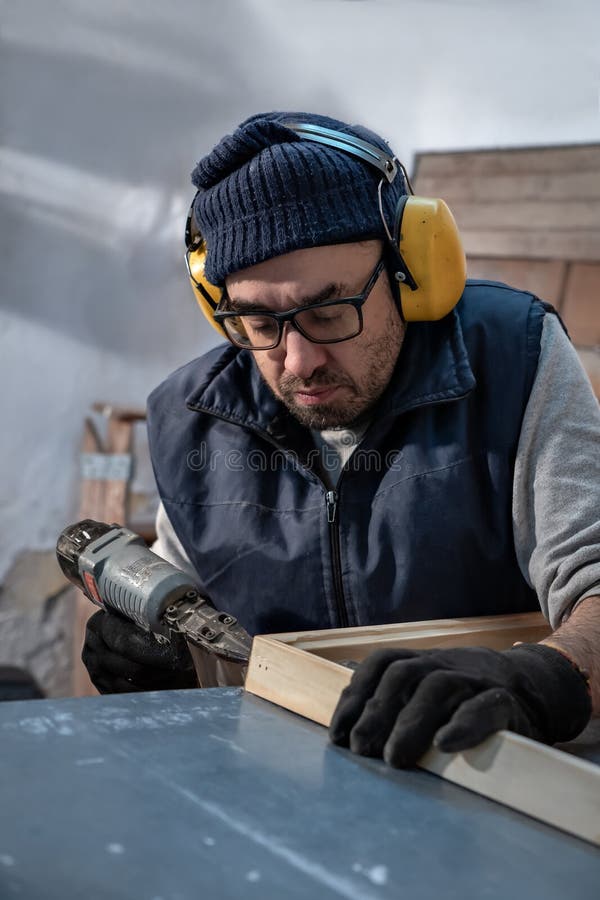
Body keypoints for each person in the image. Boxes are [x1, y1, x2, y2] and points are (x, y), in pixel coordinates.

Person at [83, 111, 600, 767]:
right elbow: (193, 612)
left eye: (329, 312)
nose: (296, 361)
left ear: (410, 271)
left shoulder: (513, 357)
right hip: (280, 790)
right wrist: (162, 663)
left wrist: (547, 678)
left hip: (484, 779)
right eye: (258, 321)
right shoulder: (192, 416)